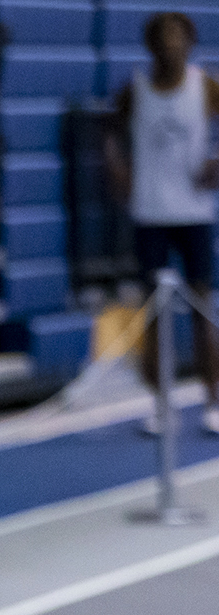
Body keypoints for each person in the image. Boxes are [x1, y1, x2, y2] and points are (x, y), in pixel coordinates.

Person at [106, 9, 219, 433]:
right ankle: (160, 403)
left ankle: (212, 400)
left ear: (190, 43)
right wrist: (116, 166)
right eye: (163, 38)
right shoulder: (135, 92)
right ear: (151, 45)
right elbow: (109, 131)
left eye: (179, 38)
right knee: (154, 313)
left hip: (193, 213)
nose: (171, 46)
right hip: (150, 212)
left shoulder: (203, 86)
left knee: (201, 306)